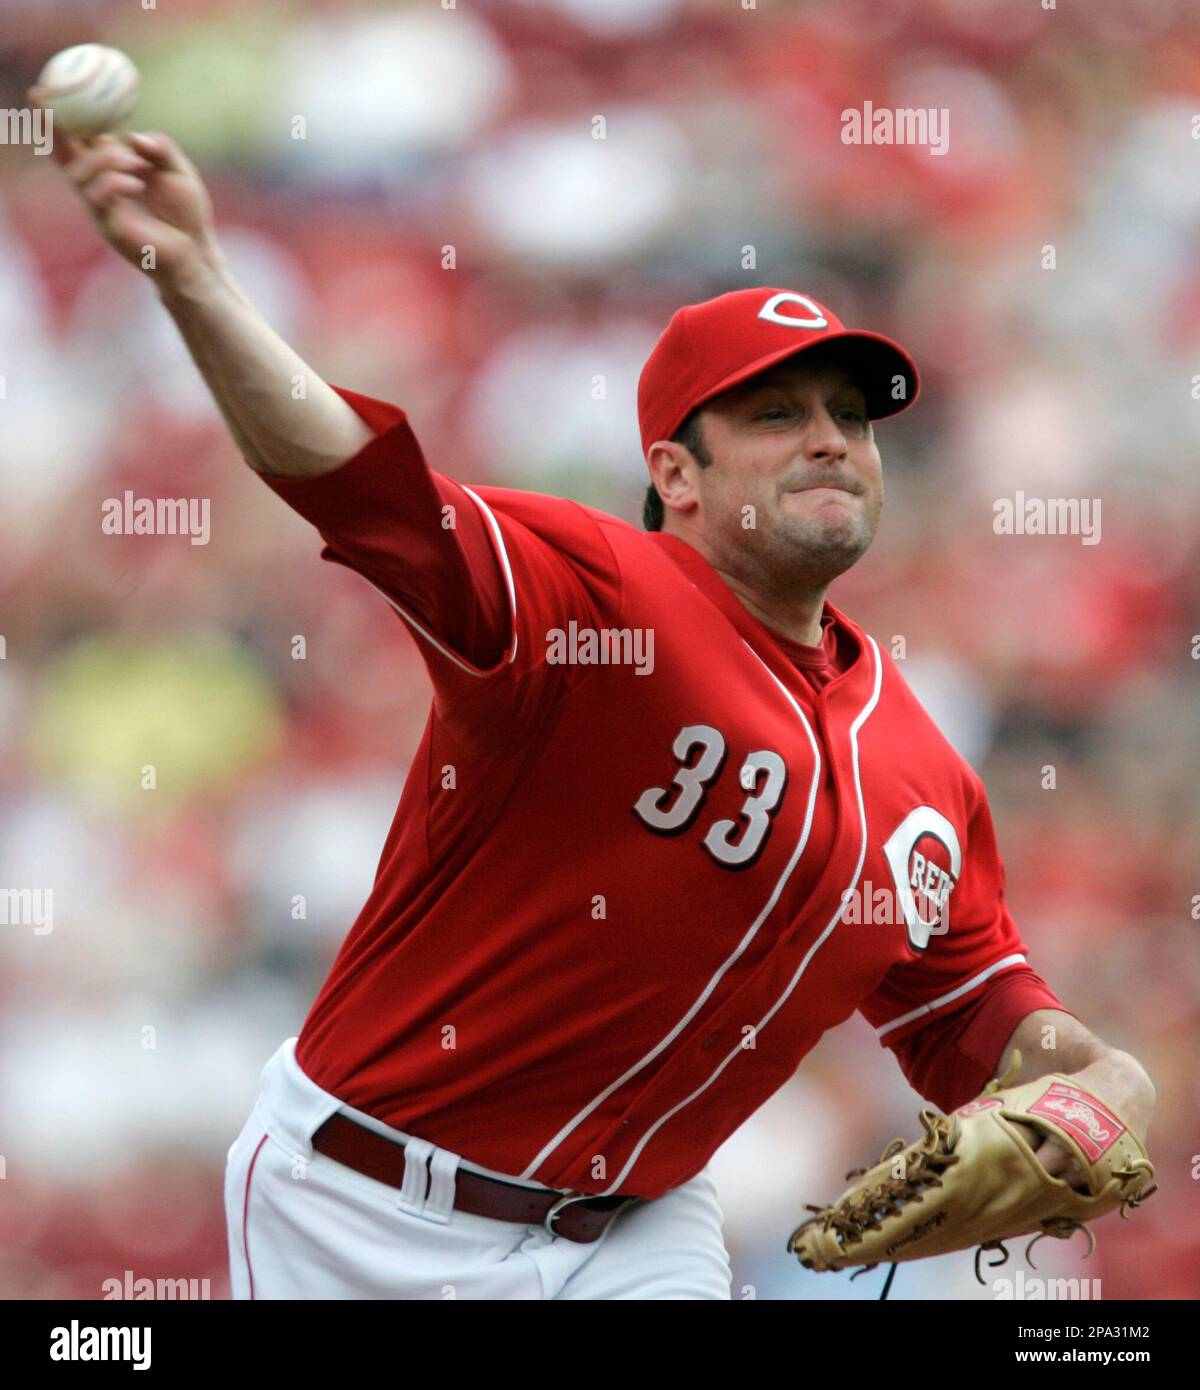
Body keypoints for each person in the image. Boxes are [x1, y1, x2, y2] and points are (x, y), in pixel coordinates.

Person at [47, 128, 1156, 1301]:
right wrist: (198, 278)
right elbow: (362, 485)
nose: (831, 437)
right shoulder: (598, 599)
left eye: (851, 414)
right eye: (775, 414)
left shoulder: (921, 766)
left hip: (640, 1232)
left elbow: (978, 1009)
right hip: (363, 1206)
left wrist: (1110, 1084)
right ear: (676, 475)